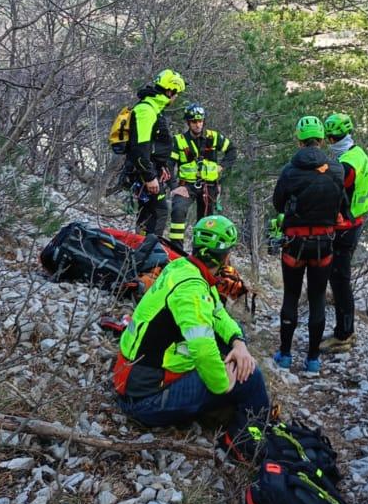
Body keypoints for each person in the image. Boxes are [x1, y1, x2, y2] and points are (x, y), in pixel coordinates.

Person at [112, 214, 268, 450]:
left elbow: (218, 313)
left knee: (230, 348)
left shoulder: (182, 267)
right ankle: (248, 445)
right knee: (250, 376)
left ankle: (225, 413)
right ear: (226, 256)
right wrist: (223, 384)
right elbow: (203, 351)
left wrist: (239, 343)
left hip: (133, 378)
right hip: (144, 400)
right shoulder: (193, 290)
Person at [270, 115, 345, 375]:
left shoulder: (290, 171)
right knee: (316, 298)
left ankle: (285, 355)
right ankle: (313, 360)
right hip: (324, 244)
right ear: (322, 139)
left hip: (294, 244)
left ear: (299, 141)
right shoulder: (336, 169)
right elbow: (342, 207)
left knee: (291, 295)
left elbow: (278, 204)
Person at [318, 113, 368, 354]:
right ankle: (345, 330)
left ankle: (344, 334)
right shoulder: (357, 153)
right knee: (341, 279)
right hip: (355, 220)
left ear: (330, 138)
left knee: (340, 281)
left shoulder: (347, 164)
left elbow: (338, 191)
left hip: (345, 227)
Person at [123, 70, 186, 237]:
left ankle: (141, 251)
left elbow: (155, 145)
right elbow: (140, 147)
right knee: (157, 214)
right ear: (170, 90)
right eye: (176, 94)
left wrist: (162, 165)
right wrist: (149, 176)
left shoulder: (155, 108)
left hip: (152, 170)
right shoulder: (147, 110)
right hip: (144, 174)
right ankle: (147, 255)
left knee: (150, 214)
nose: (176, 98)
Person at [167, 102, 236, 250]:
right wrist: (174, 187)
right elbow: (169, 164)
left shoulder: (213, 137)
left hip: (208, 187)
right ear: (188, 122)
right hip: (186, 186)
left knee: (206, 221)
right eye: (194, 122)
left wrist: (221, 168)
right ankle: (176, 250)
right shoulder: (179, 141)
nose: (198, 125)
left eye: (200, 121)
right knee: (178, 210)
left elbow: (231, 150)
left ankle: (201, 252)